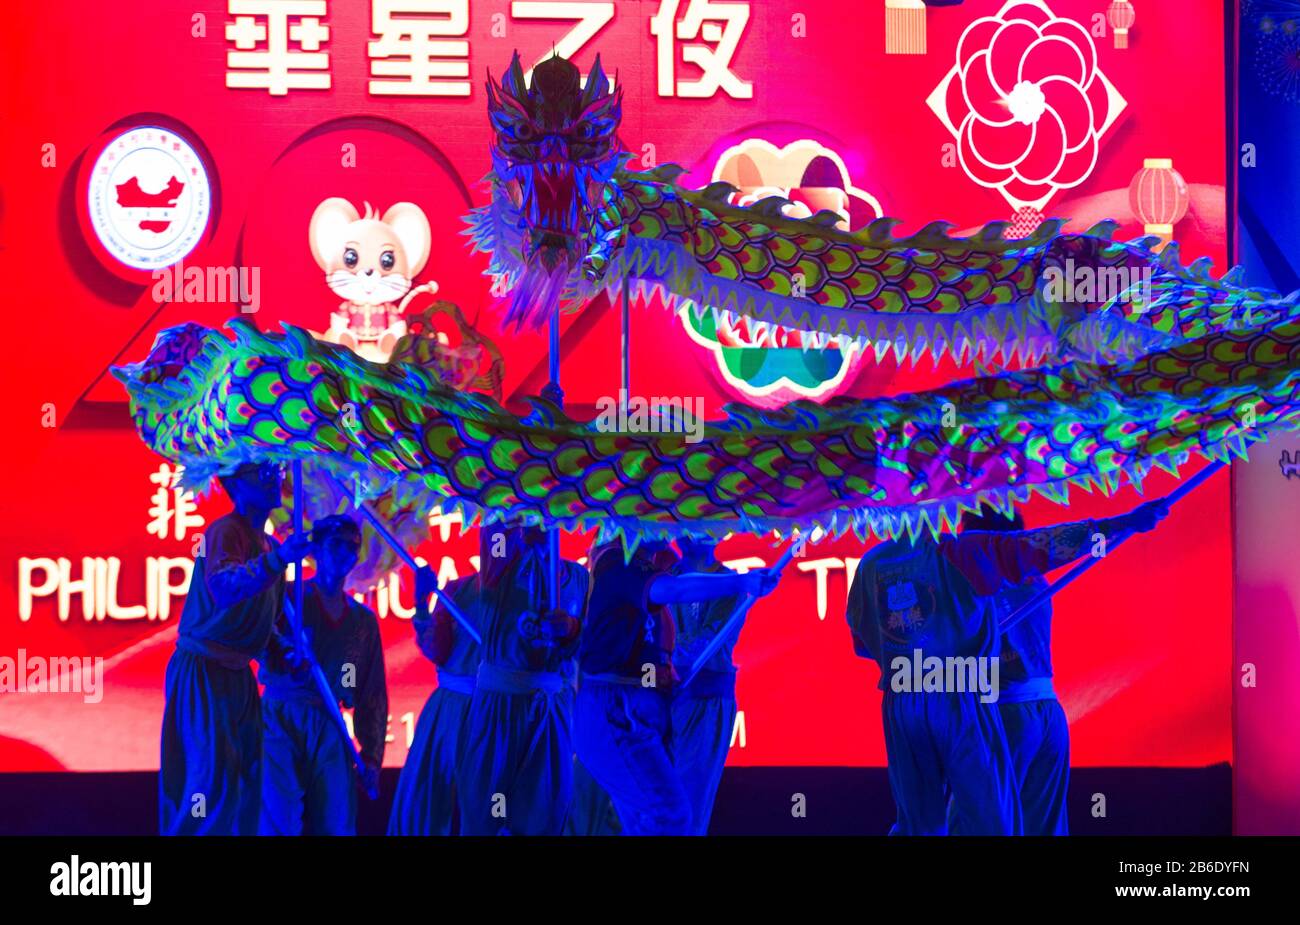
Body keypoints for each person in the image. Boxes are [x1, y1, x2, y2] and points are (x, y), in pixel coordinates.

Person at [845, 499, 1169, 836]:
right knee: (992, 824)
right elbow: (1046, 544)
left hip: (903, 698)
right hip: (970, 694)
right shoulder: (965, 554)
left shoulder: (871, 564)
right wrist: (1121, 524)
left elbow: (862, 642)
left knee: (918, 825)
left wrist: (916, 645)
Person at [574, 536, 778, 836]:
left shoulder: (646, 567)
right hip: (615, 710)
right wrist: (743, 583)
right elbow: (674, 590)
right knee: (671, 814)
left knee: (653, 819)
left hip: (644, 708)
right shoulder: (621, 564)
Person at [159, 461, 311, 835]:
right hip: (205, 671)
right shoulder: (225, 531)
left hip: (239, 677)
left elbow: (266, 623)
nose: (274, 478)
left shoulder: (272, 545)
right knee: (210, 782)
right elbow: (225, 588)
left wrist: (284, 653)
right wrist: (277, 561)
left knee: (246, 779)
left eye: (275, 471)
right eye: (262, 474)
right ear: (235, 485)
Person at [456, 523, 589, 835]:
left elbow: (591, 644)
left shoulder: (579, 577)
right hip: (499, 709)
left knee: (543, 813)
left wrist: (570, 629)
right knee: (486, 812)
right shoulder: (501, 561)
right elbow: (497, 528)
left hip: (550, 710)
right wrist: (519, 506)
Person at [258, 515, 387, 835]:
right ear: (316, 549)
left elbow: (369, 692)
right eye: (334, 544)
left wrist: (371, 755)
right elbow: (257, 639)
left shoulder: (362, 621)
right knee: (280, 813)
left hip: (328, 720)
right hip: (280, 717)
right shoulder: (286, 598)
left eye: (351, 546)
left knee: (337, 816)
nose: (343, 552)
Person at [388, 566, 481, 835]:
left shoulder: (534, 588)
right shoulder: (457, 589)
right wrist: (420, 601)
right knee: (424, 794)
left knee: (491, 802)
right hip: (451, 706)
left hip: (499, 709)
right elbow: (436, 649)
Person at [668, 535, 745, 836]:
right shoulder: (663, 578)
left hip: (706, 702)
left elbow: (706, 643)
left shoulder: (731, 584)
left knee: (690, 802)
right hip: (661, 702)